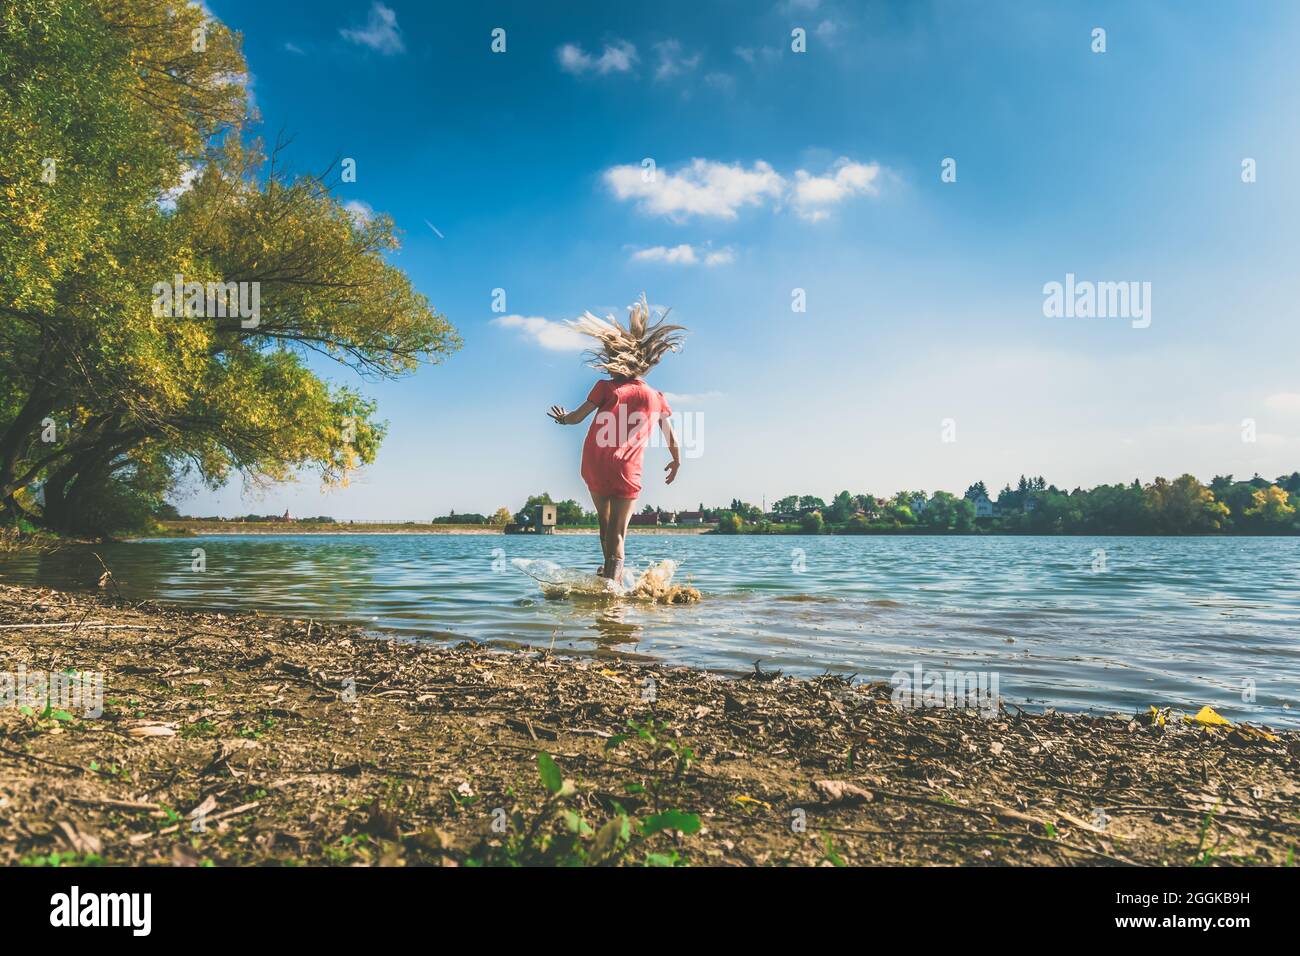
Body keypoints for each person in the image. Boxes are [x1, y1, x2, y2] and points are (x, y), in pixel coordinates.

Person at [548, 294, 686, 584]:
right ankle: (612, 583)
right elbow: (669, 436)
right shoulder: (656, 397)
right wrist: (676, 460)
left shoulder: (605, 388)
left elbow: (575, 417)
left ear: (621, 362)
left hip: (596, 463)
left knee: (605, 524)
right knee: (618, 533)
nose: (608, 366)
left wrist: (562, 418)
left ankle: (607, 574)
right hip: (627, 469)